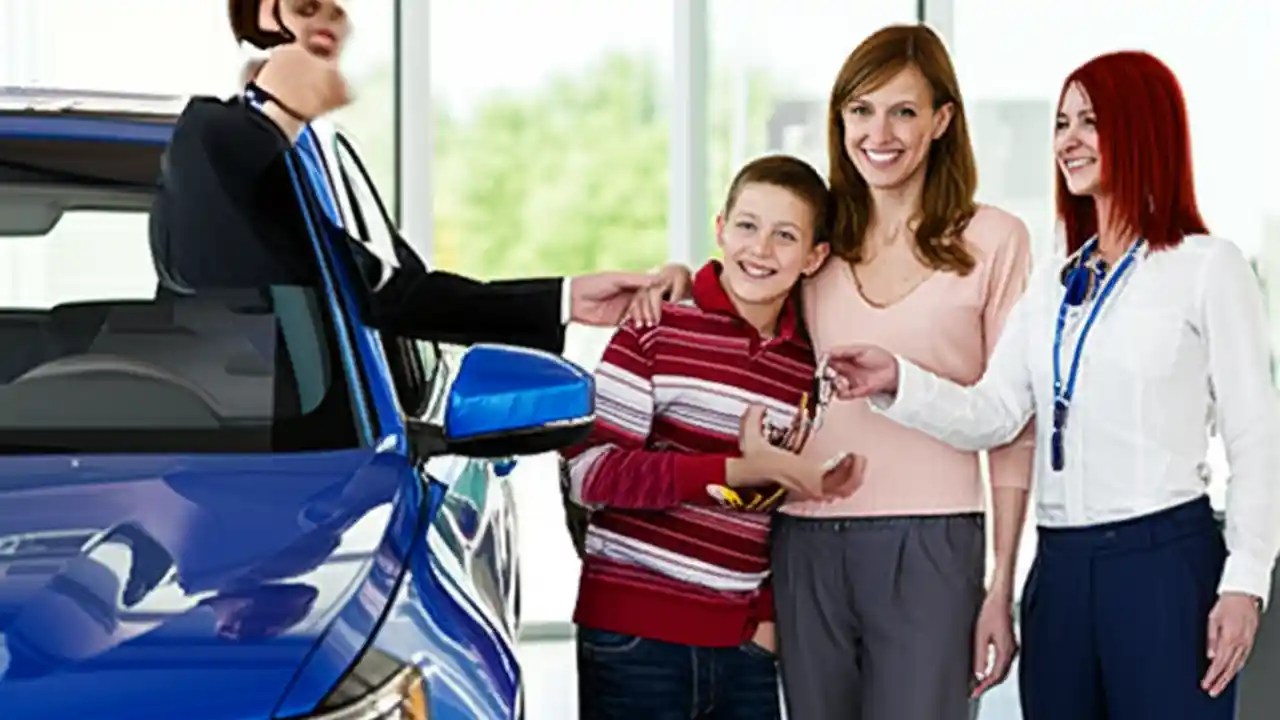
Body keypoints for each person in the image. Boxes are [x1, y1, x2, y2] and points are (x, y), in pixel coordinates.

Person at [821, 50, 1280, 720]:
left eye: (1090, 121)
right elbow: (996, 413)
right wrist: (898, 380)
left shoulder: (1208, 267)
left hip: (1163, 566)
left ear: (1145, 127)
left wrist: (1245, 581)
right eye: (1062, 123)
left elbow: (1256, 435)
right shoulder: (1057, 283)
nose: (1068, 140)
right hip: (1059, 571)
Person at [149, 0, 683, 355]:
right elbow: (220, 232)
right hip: (210, 438)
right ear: (268, 17)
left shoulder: (319, 167)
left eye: (338, 12)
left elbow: (400, 298)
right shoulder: (212, 137)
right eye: (307, 8)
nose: (332, 26)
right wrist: (274, 104)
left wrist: (569, 299)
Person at [561, 155, 861, 720]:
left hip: (744, 649)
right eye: (747, 226)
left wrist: (764, 622)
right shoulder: (656, 326)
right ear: (721, 228)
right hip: (634, 641)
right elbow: (589, 475)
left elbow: (772, 515)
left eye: (785, 235)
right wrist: (727, 470)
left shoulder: (805, 364)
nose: (760, 249)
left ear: (814, 256)